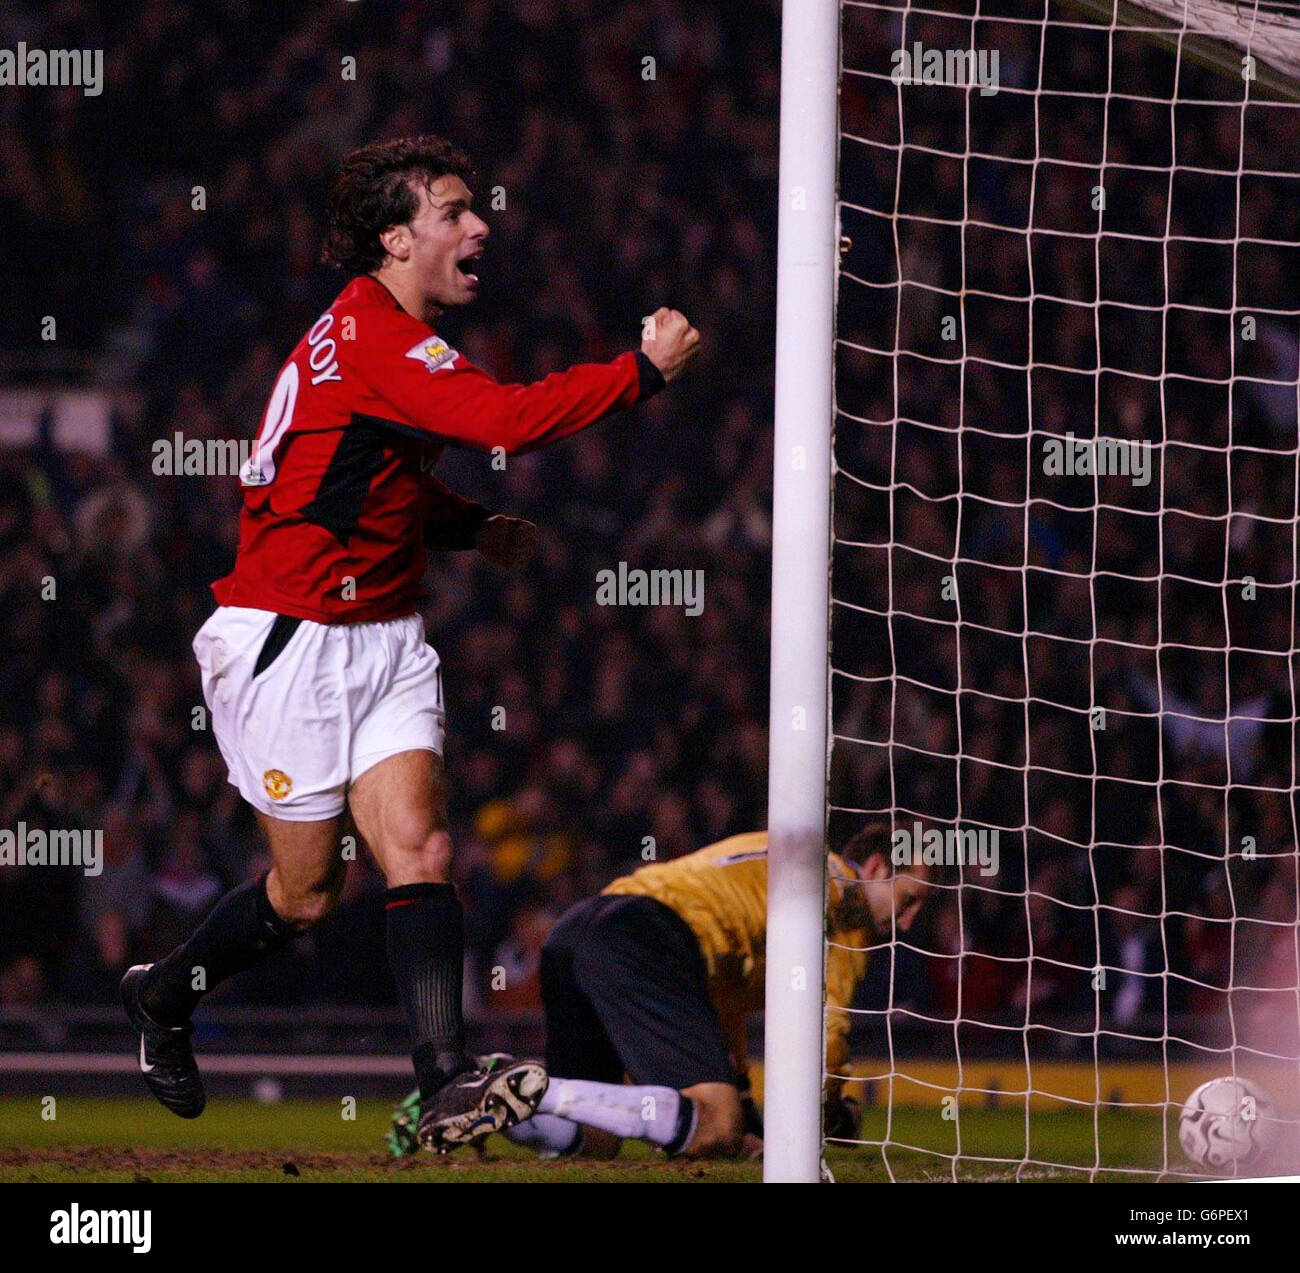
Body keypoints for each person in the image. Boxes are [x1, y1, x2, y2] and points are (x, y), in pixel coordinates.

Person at [120, 134, 700, 1151]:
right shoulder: (379, 340)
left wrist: (469, 527)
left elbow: (360, 483)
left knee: (424, 847)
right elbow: (508, 421)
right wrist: (641, 373)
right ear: (395, 239)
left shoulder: (376, 337)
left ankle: (440, 1080)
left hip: (386, 632)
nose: (479, 225)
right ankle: (164, 994)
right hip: (288, 640)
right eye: (453, 210)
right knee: (304, 894)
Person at [388, 824, 931, 1158]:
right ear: (877, 866)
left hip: (582, 926)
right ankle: (528, 1085)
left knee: (596, 1141)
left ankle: (485, 1086)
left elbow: (720, 998)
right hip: (647, 934)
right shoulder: (845, 903)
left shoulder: (777, 850)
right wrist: (824, 1116)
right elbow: (828, 1028)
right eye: (908, 900)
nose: (906, 923)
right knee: (714, 1125)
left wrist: (739, 1090)